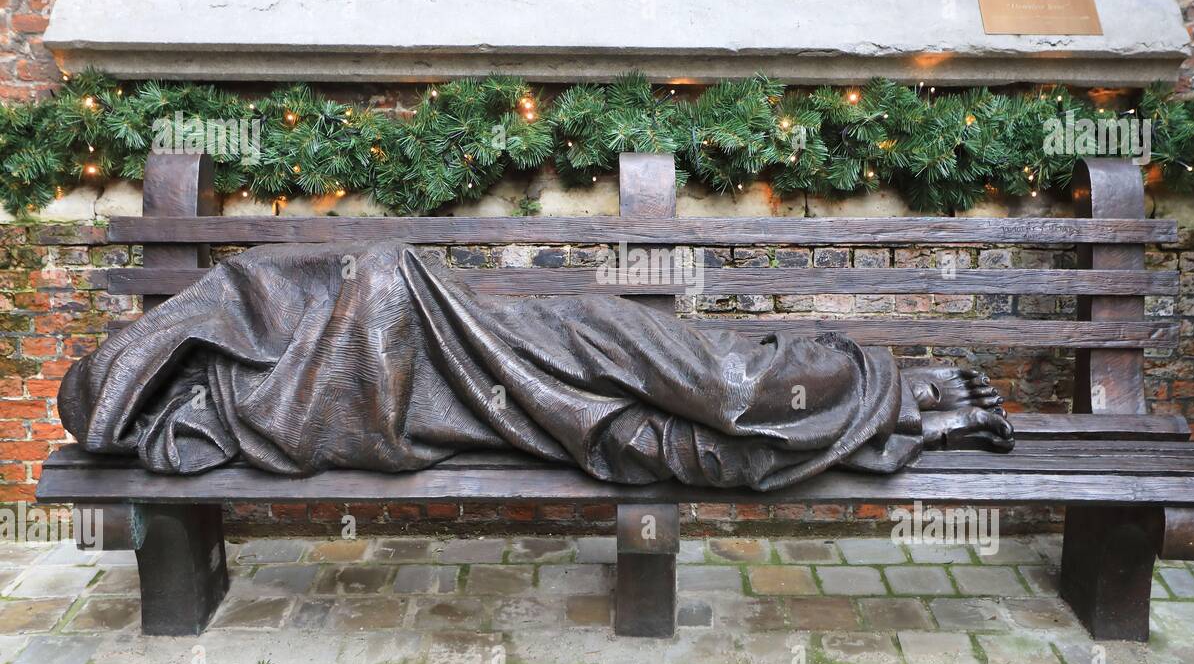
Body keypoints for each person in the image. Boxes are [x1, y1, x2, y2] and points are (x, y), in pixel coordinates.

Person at [59, 241, 1013, 492]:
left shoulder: (245, 300)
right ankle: (907, 415)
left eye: (137, 384)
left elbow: (381, 279)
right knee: (662, 449)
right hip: (483, 410)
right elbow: (352, 423)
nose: (149, 412)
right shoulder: (225, 420)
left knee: (718, 388)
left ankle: (875, 386)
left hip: (509, 339)